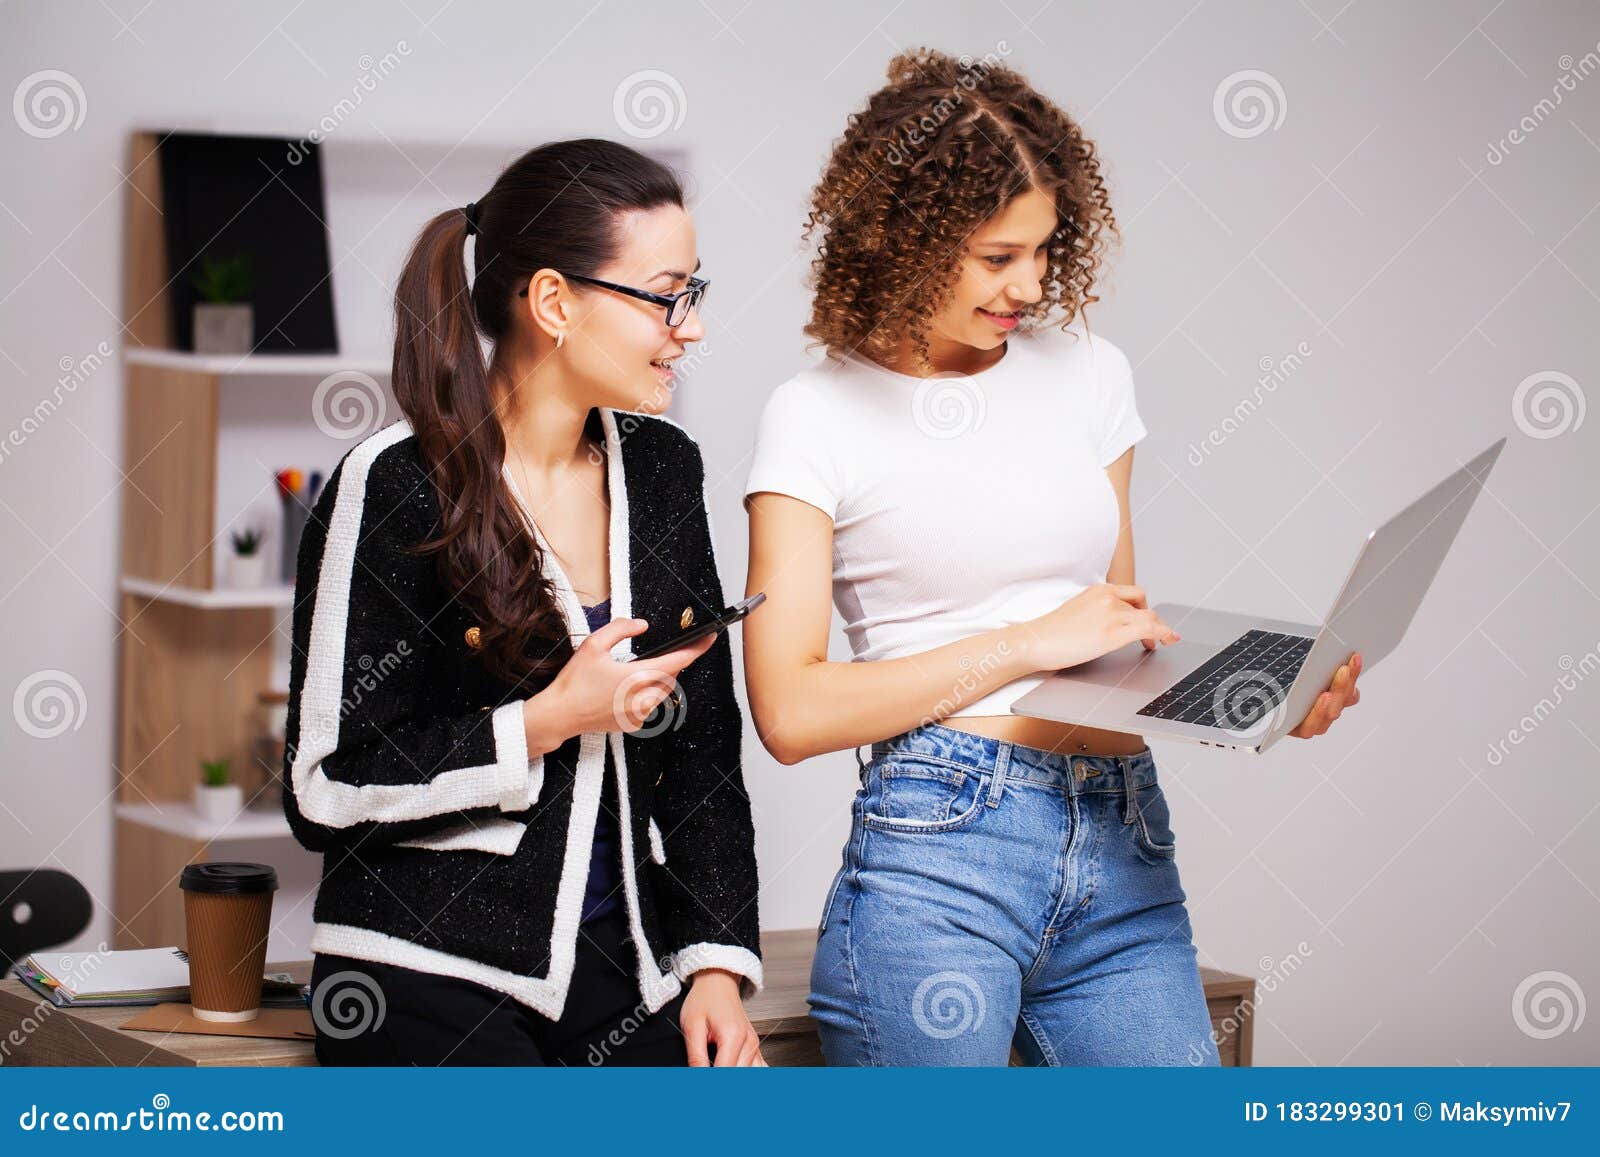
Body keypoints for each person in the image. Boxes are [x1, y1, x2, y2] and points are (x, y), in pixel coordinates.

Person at [742, 50, 1361, 1066]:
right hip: (941, 854)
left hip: (1123, 846)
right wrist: (1025, 639)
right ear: (904, 240)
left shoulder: (1088, 375)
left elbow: (1115, 636)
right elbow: (791, 712)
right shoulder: (815, 415)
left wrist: (1260, 694)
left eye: (1043, 249)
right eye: (996, 256)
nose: (1029, 283)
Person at [285, 138, 765, 1066]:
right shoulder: (394, 482)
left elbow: (704, 753)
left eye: (692, 294)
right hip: (420, 967)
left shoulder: (665, 471)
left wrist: (713, 969)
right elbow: (325, 782)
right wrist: (544, 720)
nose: (691, 327)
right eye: (669, 296)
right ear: (553, 302)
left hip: (621, 970)